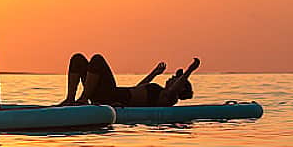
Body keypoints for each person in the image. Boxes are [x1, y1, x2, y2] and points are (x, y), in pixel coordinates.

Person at [58, 53, 199, 107]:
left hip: (110, 96)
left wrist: (190, 70)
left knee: (97, 60)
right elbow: (139, 87)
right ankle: (70, 99)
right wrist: (154, 73)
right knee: (78, 59)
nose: (172, 77)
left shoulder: (168, 98)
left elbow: (174, 89)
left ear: (180, 88)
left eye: (175, 78)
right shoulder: (159, 91)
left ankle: (83, 99)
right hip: (108, 94)